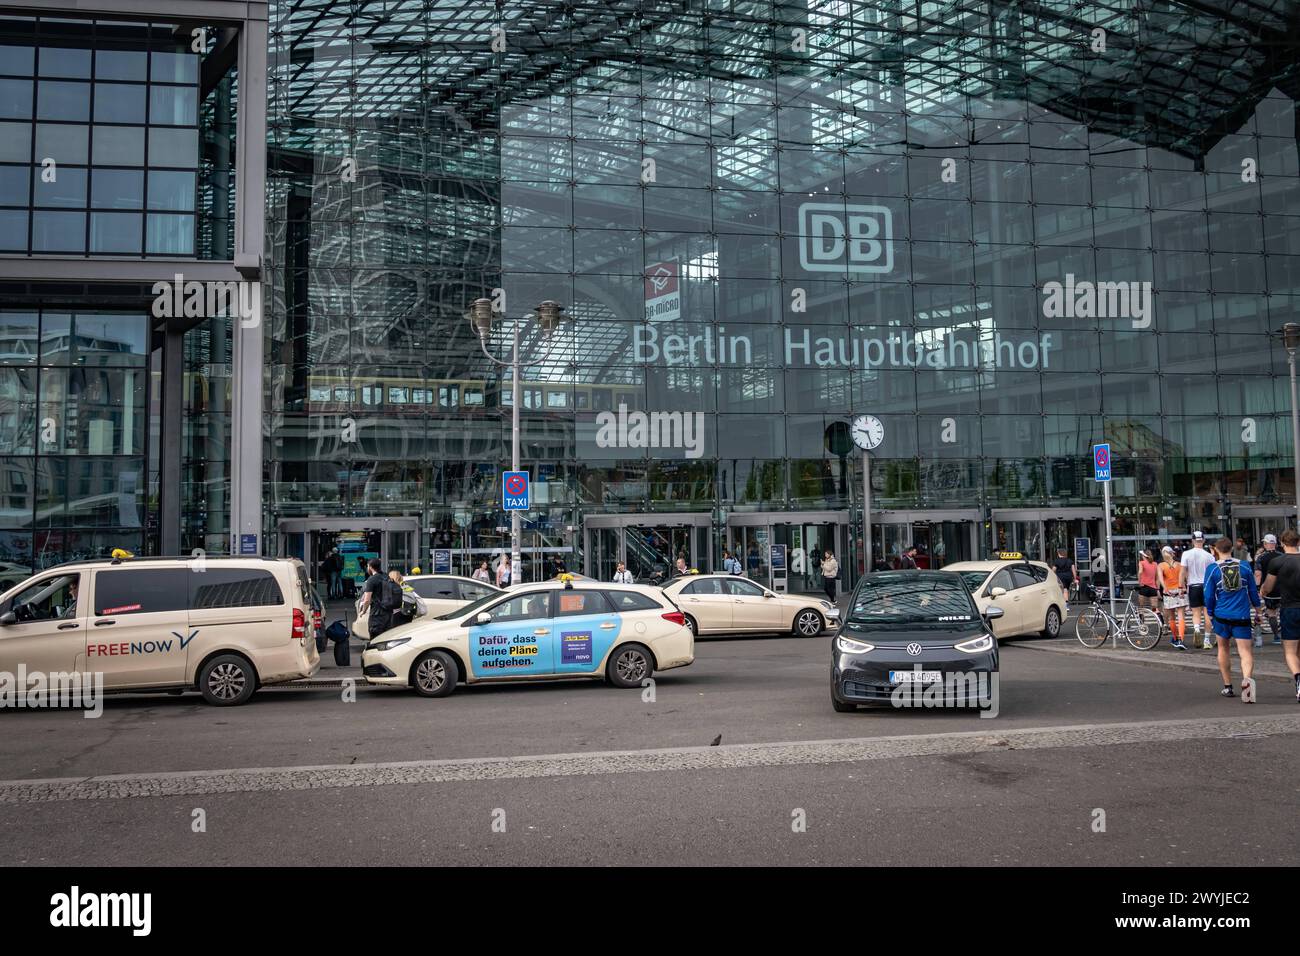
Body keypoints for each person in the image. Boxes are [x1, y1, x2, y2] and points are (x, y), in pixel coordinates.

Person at [1204, 536, 1262, 701]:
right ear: (1232, 549)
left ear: (1216, 550)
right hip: (1242, 615)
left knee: (1223, 649)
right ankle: (1247, 685)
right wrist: (1257, 610)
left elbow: (1208, 595)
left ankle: (1228, 686)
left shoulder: (1212, 569)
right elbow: (1253, 591)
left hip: (1221, 615)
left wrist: (1210, 612)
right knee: (1245, 652)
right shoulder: (1244, 566)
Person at [1259, 528, 1300, 703]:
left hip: (1289, 608)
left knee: (1290, 651)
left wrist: (1262, 591)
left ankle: (1298, 680)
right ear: (1298, 542)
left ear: (1282, 543)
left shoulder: (1277, 562)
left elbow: (1268, 587)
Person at [1180, 531, 1215, 649]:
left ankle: (1196, 630)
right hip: (1207, 586)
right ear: (1203, 540)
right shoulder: (1209, 556)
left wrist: (1181, 586)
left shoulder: (1186, 554)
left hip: (1193, 586)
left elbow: (1182, 572)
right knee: (1207, 614)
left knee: (1196, 613)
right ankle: (1207, 640)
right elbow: (1213, 573)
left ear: (1192, 541)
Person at [1254, 533, 1283, 646]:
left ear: (1265, 544)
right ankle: (1287, 634)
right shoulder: (1282, 556)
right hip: (1283, 589)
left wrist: (1257, 588)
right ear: (1275, 544)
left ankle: (1276, 637)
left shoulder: (1261, 557)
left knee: (1271, 613)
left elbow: (1258, 574)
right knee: (1284, 611)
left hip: (1269, 590)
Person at [1159, 546, 1188, 649]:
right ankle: (1181, 639)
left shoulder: (1161, 565)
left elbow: (1160, 579)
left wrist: (1165, 588)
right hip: (1180, 591)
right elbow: (1185, 577)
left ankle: (1175, 638)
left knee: (1171, 617)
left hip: (1169, 592)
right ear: (1172, 553)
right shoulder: (1179, 565)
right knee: (1181, 616)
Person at [360, 559, 395, 640]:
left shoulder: (372, 580)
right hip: (389, 614)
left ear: (370, 567)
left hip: (377, 615)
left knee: (376, 640)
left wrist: (363, 611)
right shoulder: (387, 577)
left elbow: (367, 600)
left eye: (367, 566)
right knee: (387, 639)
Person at [1135, 549, 1159, 614]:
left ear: (1144, 556)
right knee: (1155, 608)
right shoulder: (1155, 564)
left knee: (1141, 607)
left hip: (1144, 587)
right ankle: (1160, 619)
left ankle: (1142, 620)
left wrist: (1140, 582)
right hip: (1153, 588)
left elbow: (1140, 572)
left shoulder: (1141, 563)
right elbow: (1157, 578)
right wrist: (1157, 589)